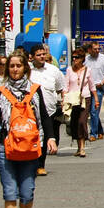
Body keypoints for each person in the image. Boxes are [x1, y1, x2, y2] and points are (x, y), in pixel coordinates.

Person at [0, 50, 57, 208]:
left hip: (29, 147)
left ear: (25, 67)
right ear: (7, 69)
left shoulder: (34, 90)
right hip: (5, 146)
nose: (15, 69)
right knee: (9, 192)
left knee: (27, 194)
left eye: (18, 65)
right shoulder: (1, 91)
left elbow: (44, 115)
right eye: (12, 66)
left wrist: (50, 137)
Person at [29, 44, 67, 176]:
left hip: (48, 110)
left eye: (43, 54)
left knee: (45, 137)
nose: (42, 57)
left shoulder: (53, 70)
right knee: (31, 138)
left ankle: (41, 165)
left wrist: (63, 103)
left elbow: (61, 88)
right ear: (32, 57)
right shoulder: (27, 70)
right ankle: (30, 163)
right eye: (38, 55)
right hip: (31, 110)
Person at [64, 50, 93, 156]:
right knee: (75, 123)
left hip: (85, 99)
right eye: (73, 57)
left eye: (76, 57)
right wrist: (64, 98)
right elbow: (66, 85)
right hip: (72, 100)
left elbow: (91, 85)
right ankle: (78, 147)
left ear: (82, 59)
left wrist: (97, 100)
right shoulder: (69, 70)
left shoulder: (88, 70)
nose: (74, 59)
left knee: (82, 122)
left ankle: (82, 148)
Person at [84, 43, 104, 140]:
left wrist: (102, 82)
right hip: (88, 88)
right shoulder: (86, 60)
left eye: (98, 49)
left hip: (99, 88)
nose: (97, 51)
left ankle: (93, 134)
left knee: (94, 111)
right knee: (91, 112)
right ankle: (100, 130)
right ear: (89, 50)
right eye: (95, 49)